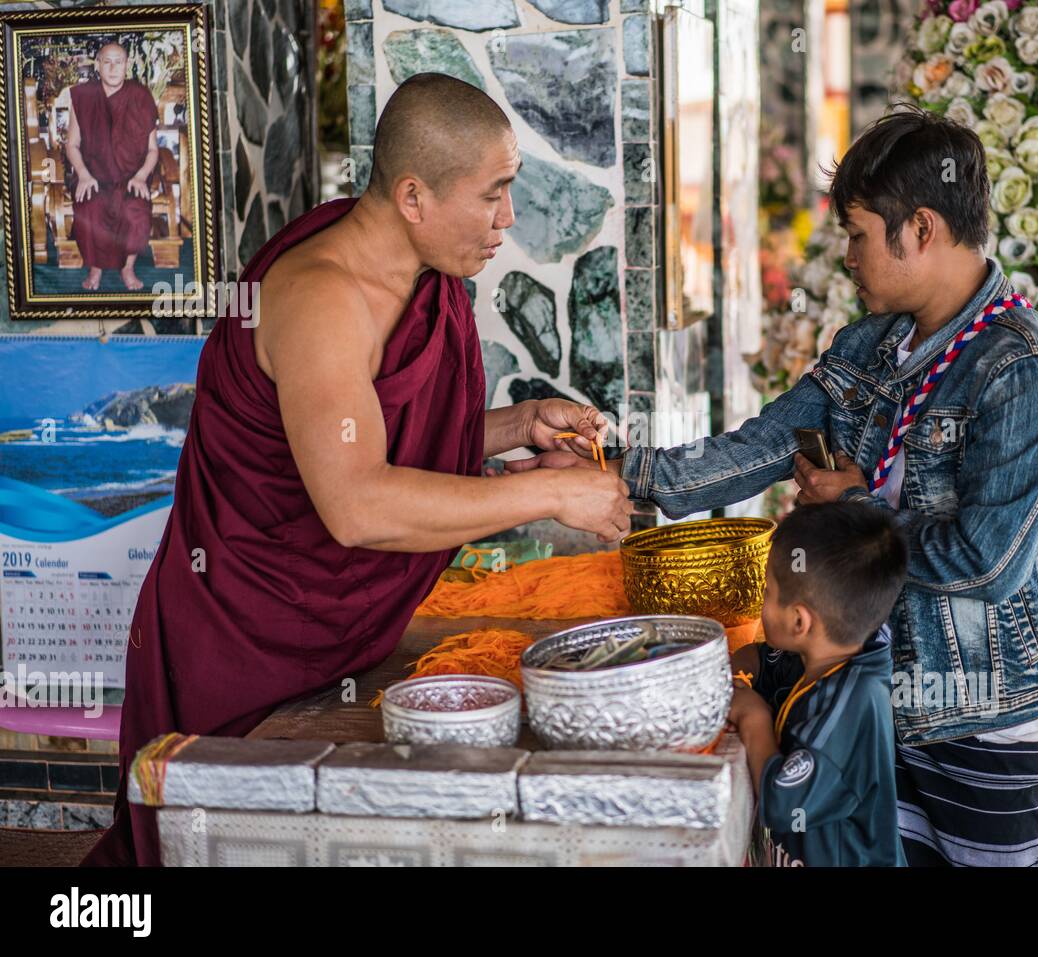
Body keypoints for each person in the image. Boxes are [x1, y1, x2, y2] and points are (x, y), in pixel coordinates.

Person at [511, 105, 1038, 866]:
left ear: (920, 229)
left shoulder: (1026, 373)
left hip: (978, 706)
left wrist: (855, 508)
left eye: (857, 234)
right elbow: (759, 446)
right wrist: (616, 472)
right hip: (873, 680)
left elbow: (988, 562)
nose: (848, 256)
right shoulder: (870, 346)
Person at [81, 72, 633, 866]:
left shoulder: (415, 274)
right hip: (245, 629)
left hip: (330, 629)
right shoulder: (320, 299)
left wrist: (516, 425)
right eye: (494, 195)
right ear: (413, 197)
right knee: (231, 844)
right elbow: (355, 503)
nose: (507, 221)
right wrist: (547, 492)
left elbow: (372, 439)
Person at [728, 501, 907, 867]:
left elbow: (783, 804)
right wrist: (734, 674)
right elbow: (761, 659)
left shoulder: (853, 705)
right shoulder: (824, 654)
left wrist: (753, 719)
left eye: (767, 593)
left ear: (799, 621)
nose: (762, 604)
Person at [66, 41, 159, 291]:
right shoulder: (84, 96)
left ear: (127, 65)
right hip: (94, 175)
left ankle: (127, 269)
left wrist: (140, 177)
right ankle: (95, 269)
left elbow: (152, 150)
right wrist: (84, 175)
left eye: (119, 62)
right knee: (91, 206)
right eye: (107, 61)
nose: (113, 67)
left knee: (135, 210)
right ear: (98, 65)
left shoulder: (140, 96)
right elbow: (72, 145)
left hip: (130, 177)